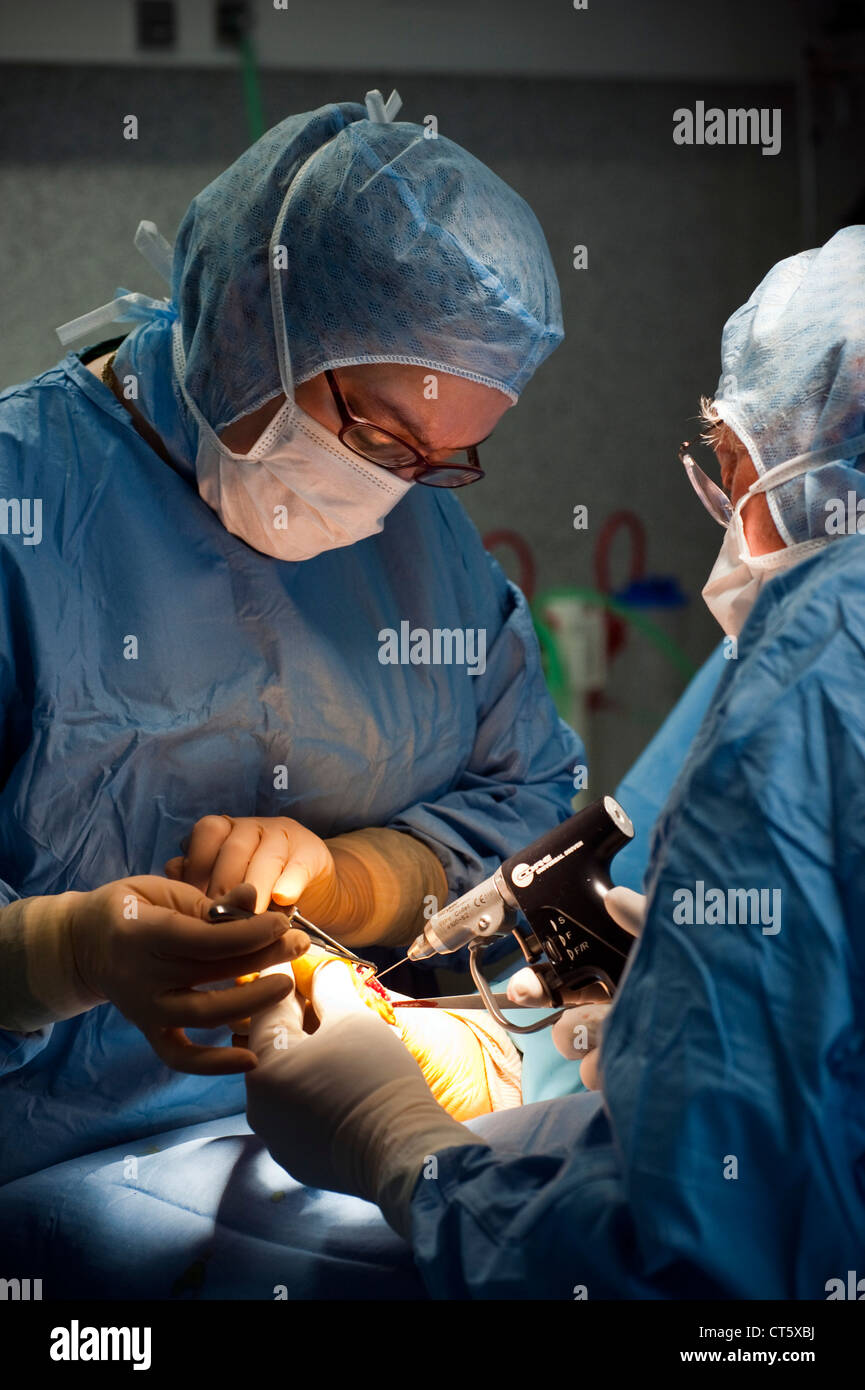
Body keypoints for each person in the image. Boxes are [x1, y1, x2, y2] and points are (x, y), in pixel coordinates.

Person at [243, 225, 865, 1299]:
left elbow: (700, 1281)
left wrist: (402, 1147)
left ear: (766, 458)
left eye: (729, 471)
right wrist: (659, 1014)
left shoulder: (820, 653)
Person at [0, 91, 580, 1187]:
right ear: (245, 326)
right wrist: (72, 949)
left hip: (333, 1138)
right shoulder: (22, 509)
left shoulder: (431, 551)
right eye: (377, 431)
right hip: (51, 1170)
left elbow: (527, 804)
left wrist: (346, 875)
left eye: (442, 459)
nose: (394, 490)